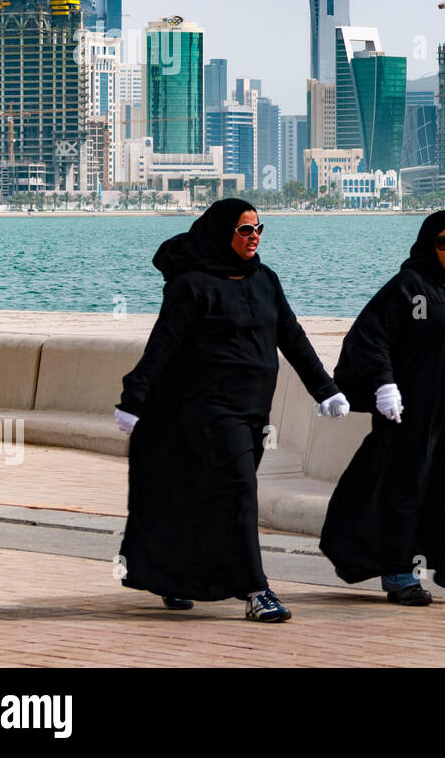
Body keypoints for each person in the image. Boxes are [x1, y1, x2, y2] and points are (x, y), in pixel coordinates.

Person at [115, 198, 349, 622]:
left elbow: (292, 337)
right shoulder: (193, 286)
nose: (254, 236)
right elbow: (162, 346)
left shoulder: (265, 280)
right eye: (245, 230)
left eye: (259, 228)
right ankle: (256, 591)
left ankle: (174, 576)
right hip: (206, 411)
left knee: (207, 497)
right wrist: (134, 399)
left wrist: (326, 390)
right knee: (240, 493)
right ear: (224, 233)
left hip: (254, 411)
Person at [320, 210, 445, 606]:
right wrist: (385, 385)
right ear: (428, 246)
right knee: (405, 488)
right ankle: (400, 575)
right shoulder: (408, 286)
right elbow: (371, 336)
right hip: (410, 411)